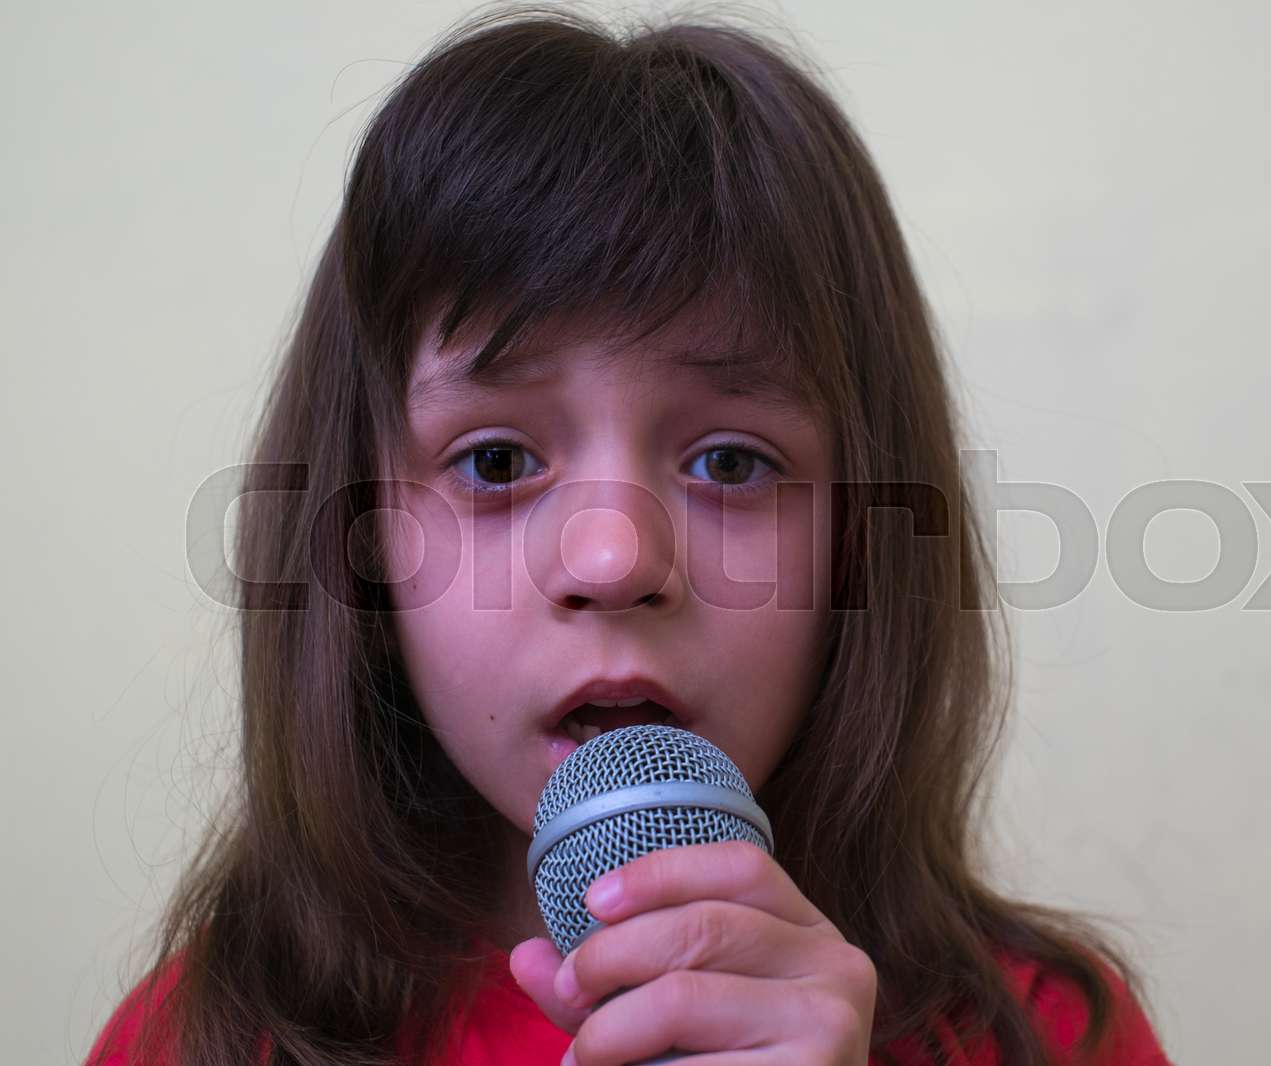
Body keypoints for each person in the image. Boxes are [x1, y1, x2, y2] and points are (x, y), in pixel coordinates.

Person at [86, 6, 1173, 1064]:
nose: (613, 561)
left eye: (731, 462)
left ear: (861, 545)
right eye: (498, 461)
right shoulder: (202, 1038)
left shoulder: (1050, 1034)